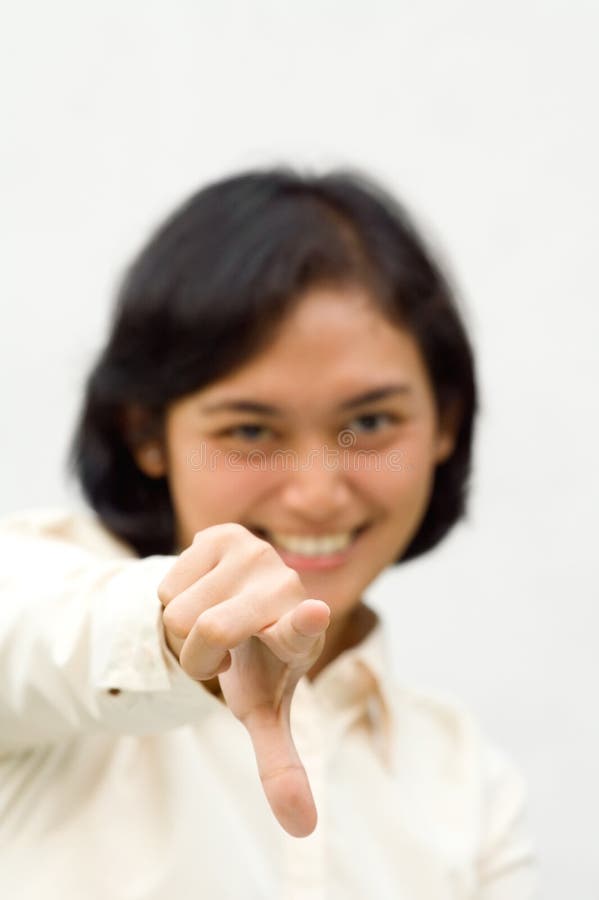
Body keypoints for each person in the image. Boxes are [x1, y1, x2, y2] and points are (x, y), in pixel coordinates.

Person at [0, 167, 537, 898]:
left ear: (444, 423)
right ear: (147, 435)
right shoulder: (42, 599)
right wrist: (179, 635)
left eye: (370, 422)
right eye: (250, 431)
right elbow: (38, 636)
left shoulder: (468, 782)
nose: (316, 494)